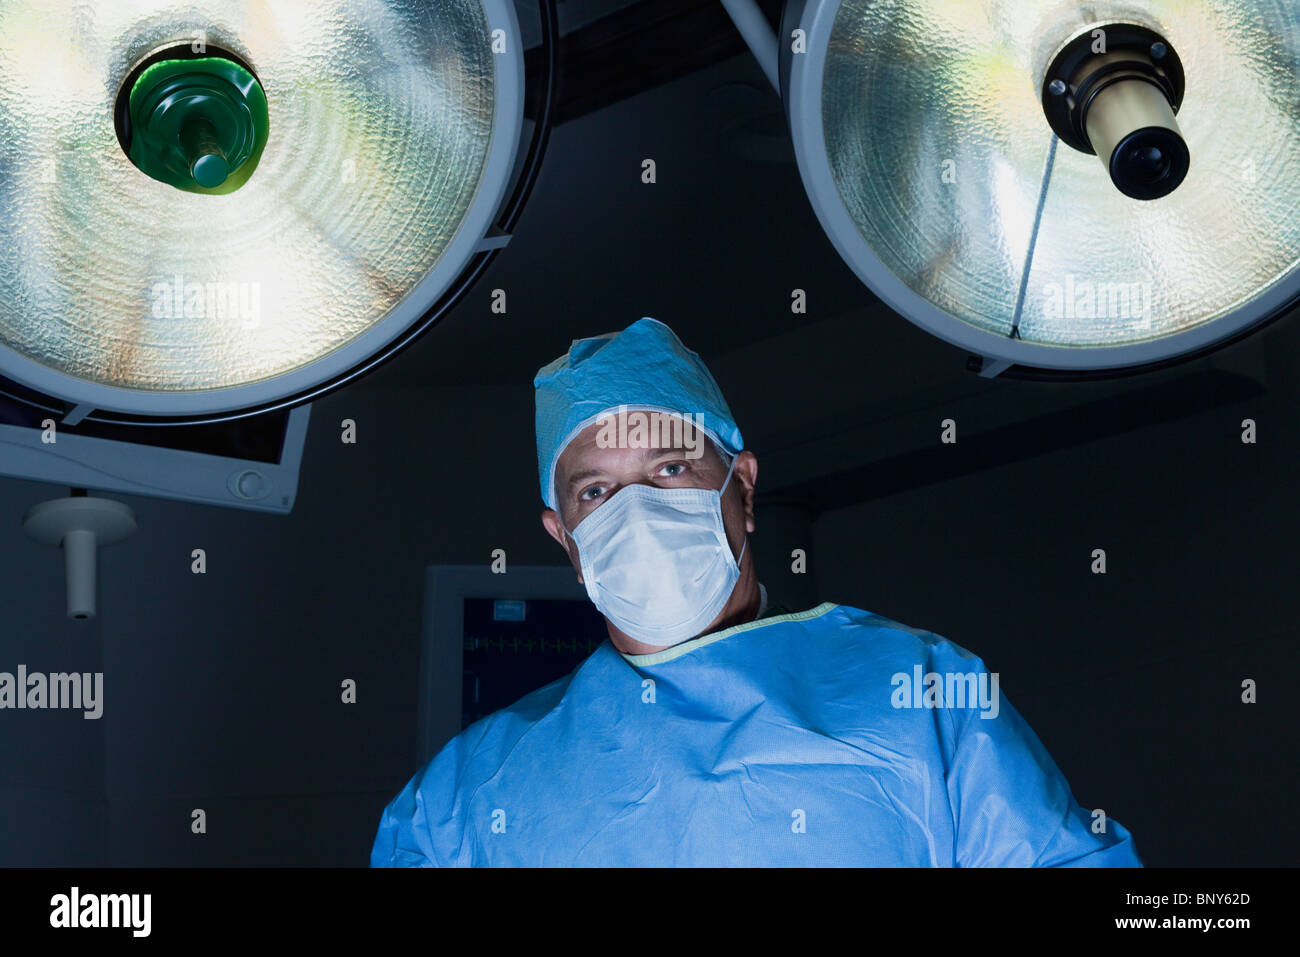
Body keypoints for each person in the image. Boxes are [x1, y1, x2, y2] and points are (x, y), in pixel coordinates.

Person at [371, 317, 1141, 866]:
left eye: (670, 469)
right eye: (598, 491)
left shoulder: (921, 696)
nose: (636, 509)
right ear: (563, 536)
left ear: (742, 485)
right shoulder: (465, 796)